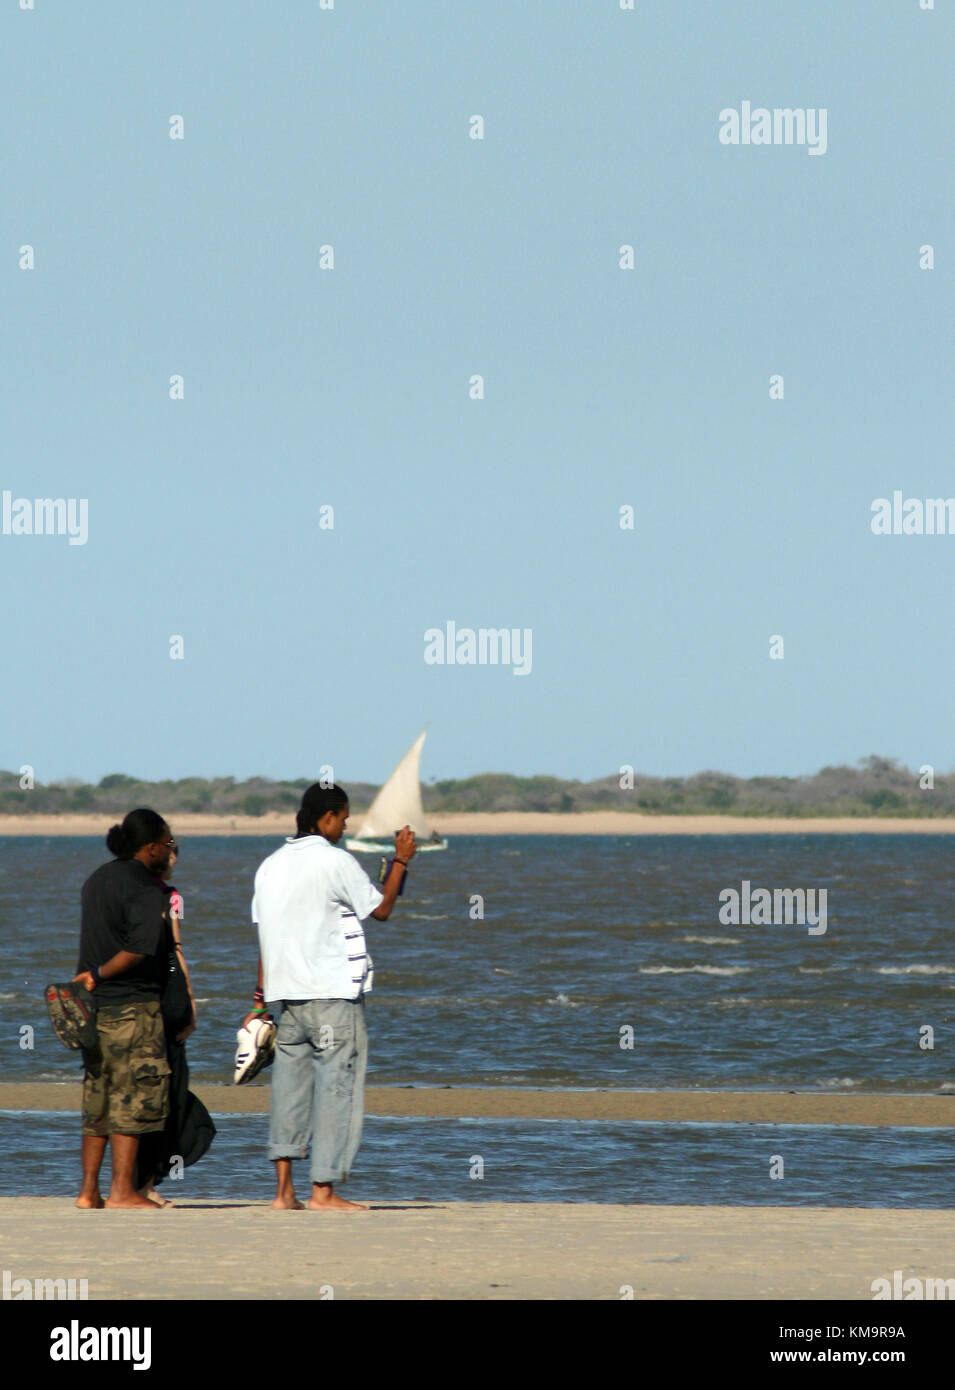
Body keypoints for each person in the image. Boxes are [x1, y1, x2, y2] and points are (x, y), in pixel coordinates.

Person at [247, 782, 416, 1211]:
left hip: (284, 999)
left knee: (288, 1091)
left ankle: (284, 1192)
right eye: (342, 818)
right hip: (332, 996)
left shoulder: (269, 866)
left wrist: (259, 1000)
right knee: (337, 1087)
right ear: (325, 819)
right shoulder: (334, 861)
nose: (345, 825)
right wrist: (400, 861)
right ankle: (322, 1190)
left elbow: (265, 935)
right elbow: (381, 909)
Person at [72, 809, 176, 1210]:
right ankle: (121, 1191)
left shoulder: (96, 880)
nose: (170, 851)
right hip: (131, 1008)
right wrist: (99, 973)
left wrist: (91, 978)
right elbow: (137, 949)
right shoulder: (147, 890)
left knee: (97, 1100)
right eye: (167, 844)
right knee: (131, 1100)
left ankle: (87, 1191)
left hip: (91, 1011)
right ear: (149, 848)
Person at [133, 844, 216, 1206]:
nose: (174, 862)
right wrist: (189, 1000)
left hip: (139, 996)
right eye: (171, 856)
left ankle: (138, 1183)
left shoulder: (131, 893)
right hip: (163, 998)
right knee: (168, 1090)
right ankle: (144, 1184)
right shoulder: (170, 897)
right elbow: (176, 949)